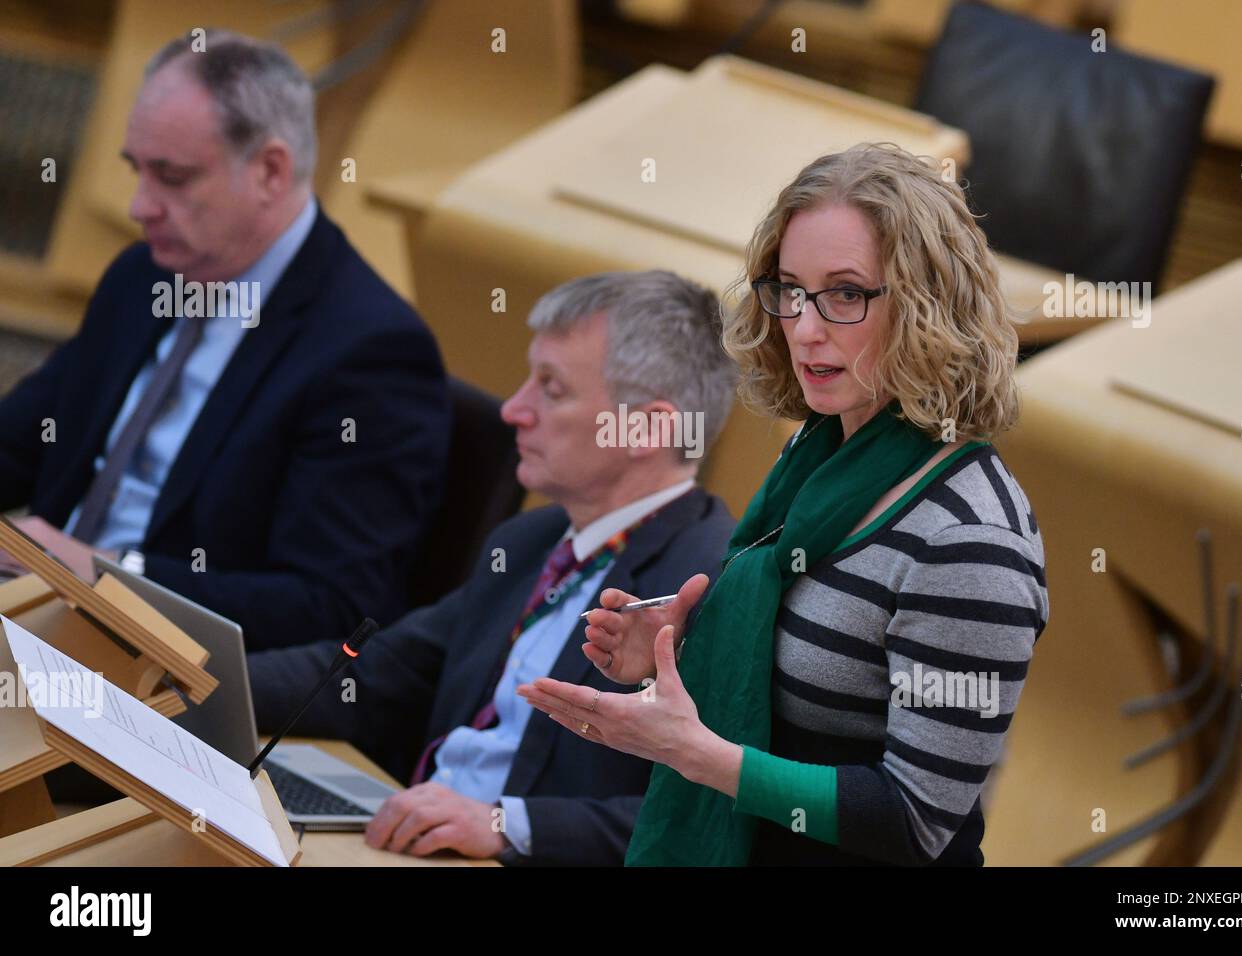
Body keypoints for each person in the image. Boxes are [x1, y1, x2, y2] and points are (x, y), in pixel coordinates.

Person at [519, 143, 1051, 866]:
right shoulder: (816, 459)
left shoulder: (969, 540)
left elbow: (914, 821)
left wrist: (700, 754)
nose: (803, 327)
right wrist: (680, 649)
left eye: (845, 294)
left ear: (928, 307)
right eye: (790, 290)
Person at [248, 270, 736, 865]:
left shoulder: (708, 586)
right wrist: (194, 678)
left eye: (551, 389)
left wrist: (507, 825)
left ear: (649, 428)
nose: (512, 410)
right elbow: (376, 677)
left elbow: (706, 819)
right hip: (405, 839)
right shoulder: (530, 541)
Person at [0, 30, 449, 649]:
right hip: (33, 612)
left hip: (163, 673)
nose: (138, 206)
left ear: (269, 170)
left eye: (173, 178)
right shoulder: (143, 275)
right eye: (136, 171)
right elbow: (21, 440)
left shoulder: (371, 353)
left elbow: (331, 606)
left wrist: (107, 575)